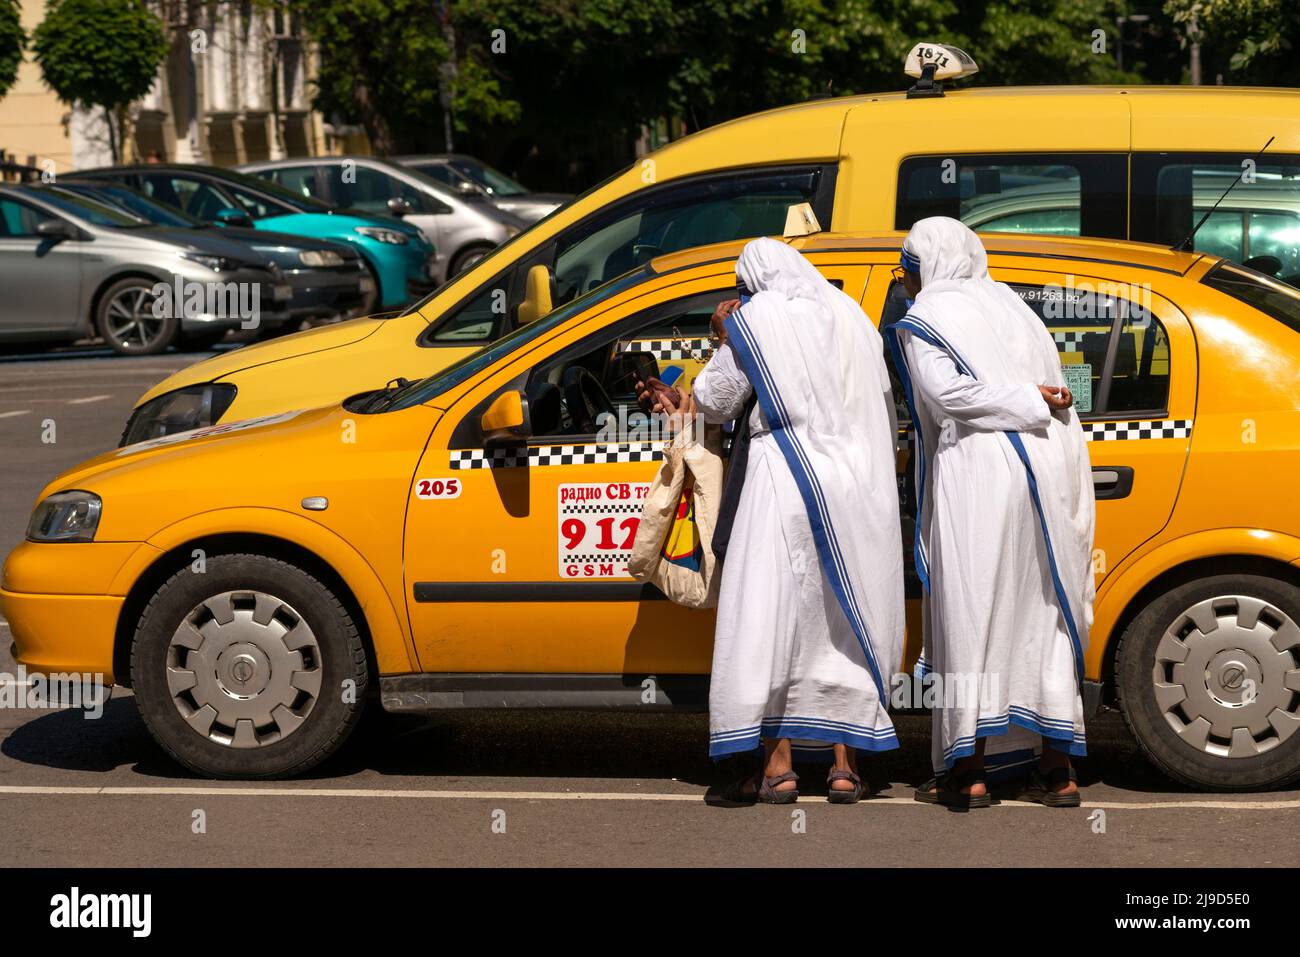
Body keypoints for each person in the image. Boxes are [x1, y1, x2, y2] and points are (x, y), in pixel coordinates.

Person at [640, 237, 903, 805]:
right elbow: (881, 399)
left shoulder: (756, 319)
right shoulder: (852, 317)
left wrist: (722, 334)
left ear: (750, 283)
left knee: (773, 617)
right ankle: (843, 769)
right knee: (841, 621)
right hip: (857, 485)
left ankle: (779, 769)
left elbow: (714, 400)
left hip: (783, 478)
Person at [884, 216, 1095, 809]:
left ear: (925, 266)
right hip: (1045, 472)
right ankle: (1058, 771)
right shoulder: (1014, 306)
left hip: (979, 472)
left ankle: (970, 772)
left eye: (907, 269)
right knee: (1041, 615)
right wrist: (1033, 401)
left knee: (972, 612)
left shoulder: (928, 317)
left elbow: (946, 395)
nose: (904, 281)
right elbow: (1057, 391)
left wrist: (1023, 401)